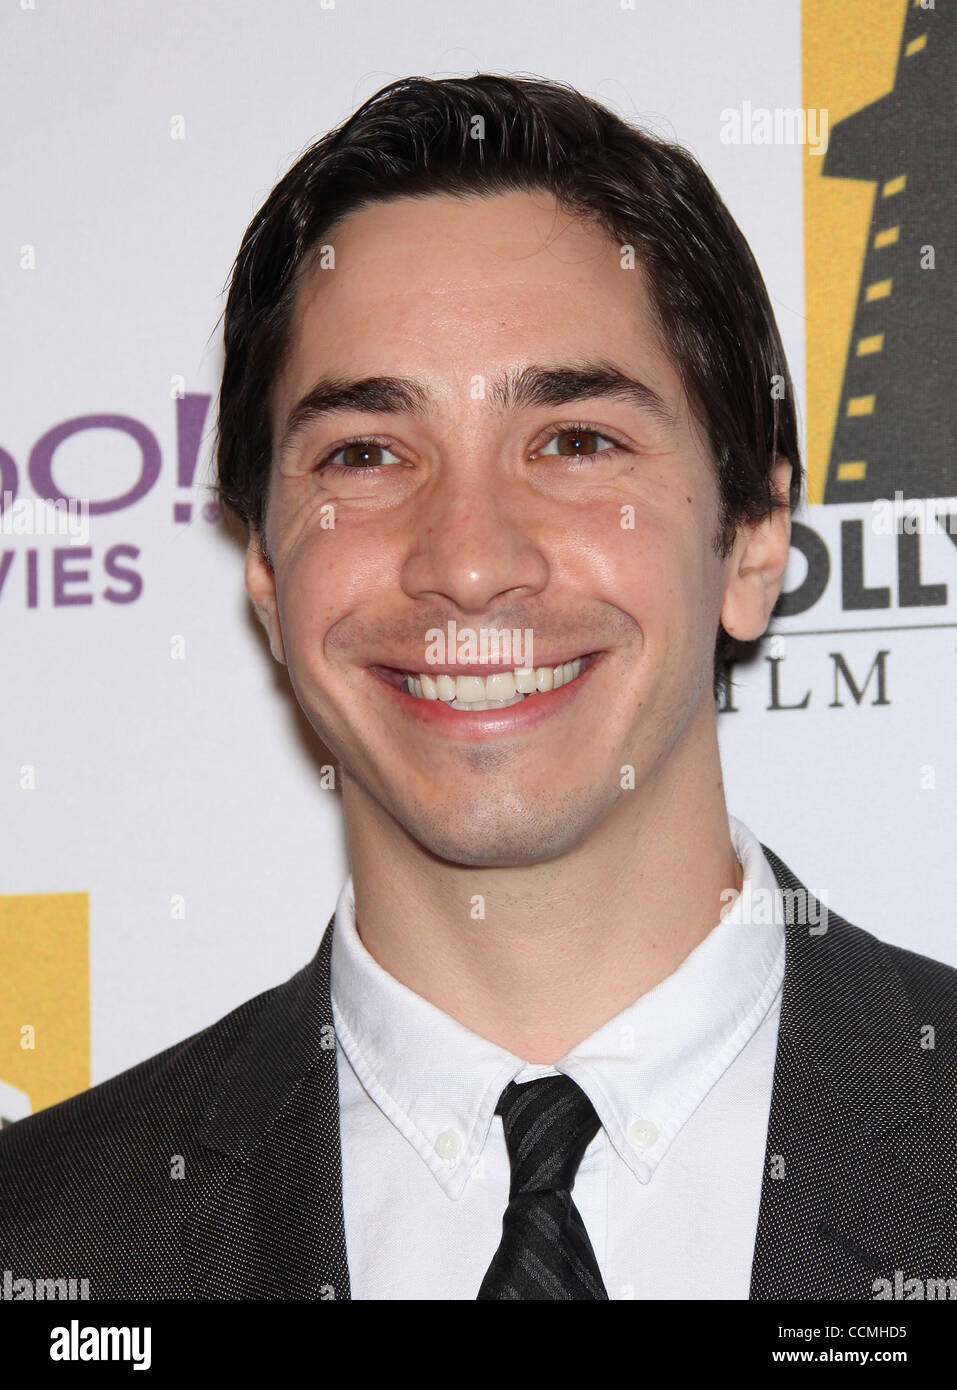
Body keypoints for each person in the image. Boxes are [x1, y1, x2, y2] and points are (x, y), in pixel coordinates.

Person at [2, 74, 954, 1302]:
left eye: (573, 442)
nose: (465, 559)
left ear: (754, 537)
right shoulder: (47, 1246)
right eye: (365, 453)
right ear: (266, 571)